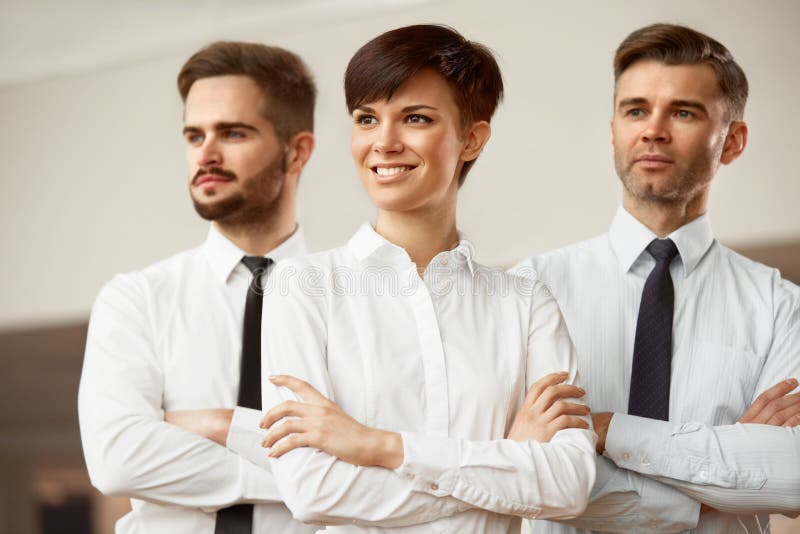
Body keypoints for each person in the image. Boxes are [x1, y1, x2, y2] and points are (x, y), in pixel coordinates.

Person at [226, 24, 596, 532]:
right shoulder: (302, 286)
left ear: (472, 138)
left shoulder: (526, 304)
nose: (383, 142)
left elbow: (568, 484)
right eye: (367, 119)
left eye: (415, 118)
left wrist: (378, 446)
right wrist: (506, 462)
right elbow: (313, 491)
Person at [514, 23, 800, 533]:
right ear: (613, 132)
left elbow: (792, 473)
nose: (653, 129)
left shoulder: (781, 307)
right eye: (636, 110)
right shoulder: (531, 289)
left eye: (684, 112)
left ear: (732, 141)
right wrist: (717, 480)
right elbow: (524, 474)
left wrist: (607, 430)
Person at [78, 41, 318, 533]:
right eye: (193, 135)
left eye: (232, 132)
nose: (205, 154)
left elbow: (385, 458)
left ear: (296, 151)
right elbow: (117, 460)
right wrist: (309, 478)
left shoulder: (353, 301)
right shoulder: (136, 299)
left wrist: (217, 424)